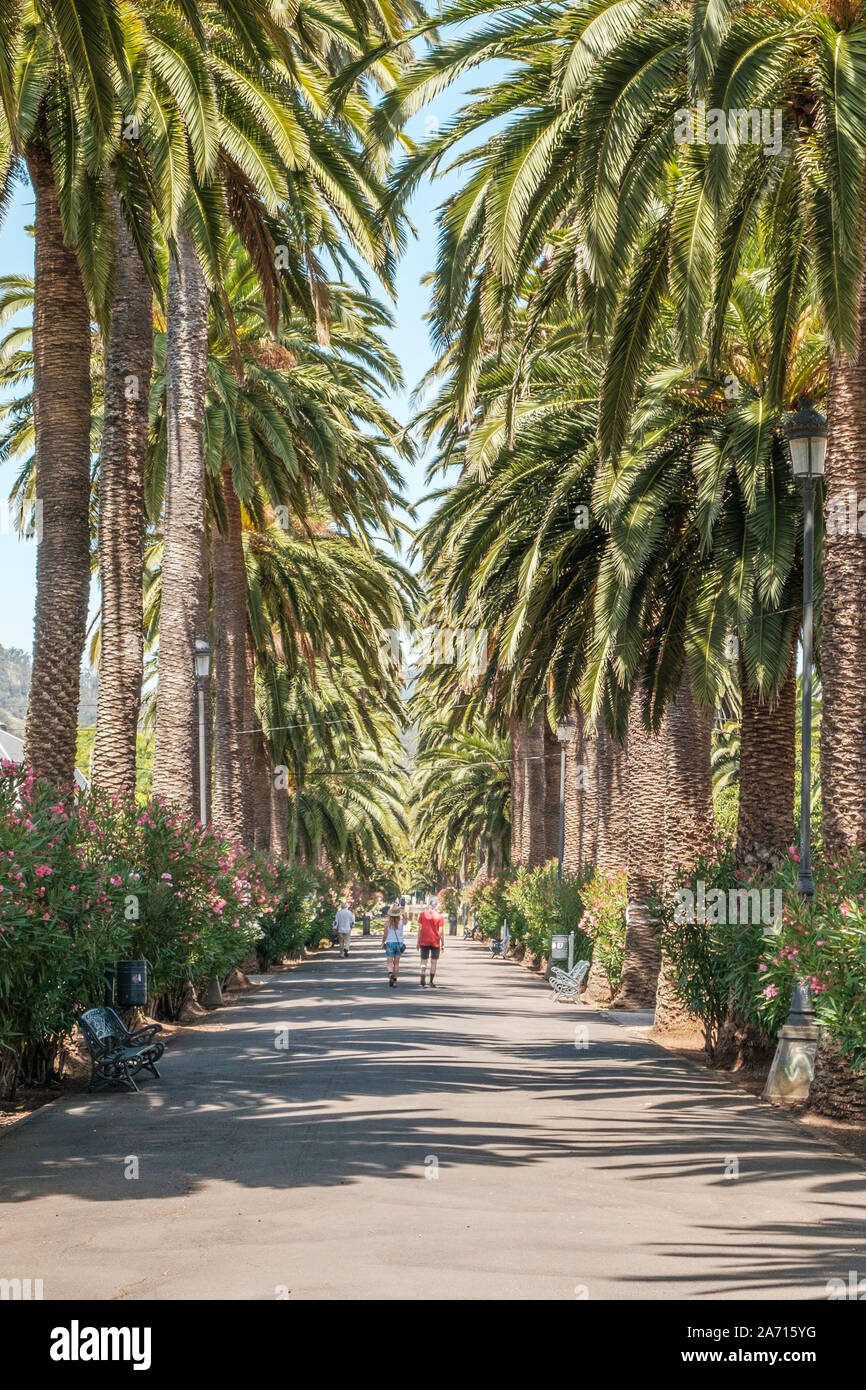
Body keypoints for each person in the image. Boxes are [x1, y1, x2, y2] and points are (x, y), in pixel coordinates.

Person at [417, 896, 445, 987]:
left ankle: (422, 973)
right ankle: (431, 982)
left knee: (423, 961)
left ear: (429, 904)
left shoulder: (422, 915)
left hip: (424, 940)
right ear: (436, 904)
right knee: (434, 962)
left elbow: (420, 930)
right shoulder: (440, 917)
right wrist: (443, 943)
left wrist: (418, 942)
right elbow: (440, 931)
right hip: (435, 941)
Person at [382, 902, 405, 987]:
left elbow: (385, 935)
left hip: (390, 943)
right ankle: (395, 980)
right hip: (399, 944)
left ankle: (390, 974)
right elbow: (406, 918)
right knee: (396, 964)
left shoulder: (387, 923)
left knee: (389, 962)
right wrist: (401, 910)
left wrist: (383, 942)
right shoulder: (402, 922)